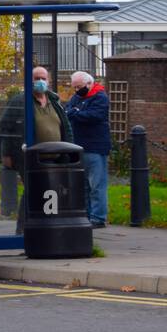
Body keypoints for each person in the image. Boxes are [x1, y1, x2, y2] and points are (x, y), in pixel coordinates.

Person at [0, 65, 71, 232]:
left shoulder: (54, 101)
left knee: (52, 190)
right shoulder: (20, 101)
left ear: (49, 81)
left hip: (55, 156)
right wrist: (6, 153)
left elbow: (65, 126)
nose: (40, 82)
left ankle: (47, 228)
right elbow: (5, 127)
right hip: (29, 155)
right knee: (32, 189)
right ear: (29, 81)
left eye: (43, 78)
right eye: (36, 78)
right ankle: (22, 230)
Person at [65, 70, 111, 228]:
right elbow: (68, 112)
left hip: (96, 147)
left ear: (89, 84)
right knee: (83, 185)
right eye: (75, 87)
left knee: (97, 185)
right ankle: (86, 214)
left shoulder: (100, 97)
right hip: (79, 146)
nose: (77, 91)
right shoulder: (76, 98)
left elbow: (93, 116)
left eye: (79, 87)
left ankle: (98, 217)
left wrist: (76, 113)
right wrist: (76, 113)